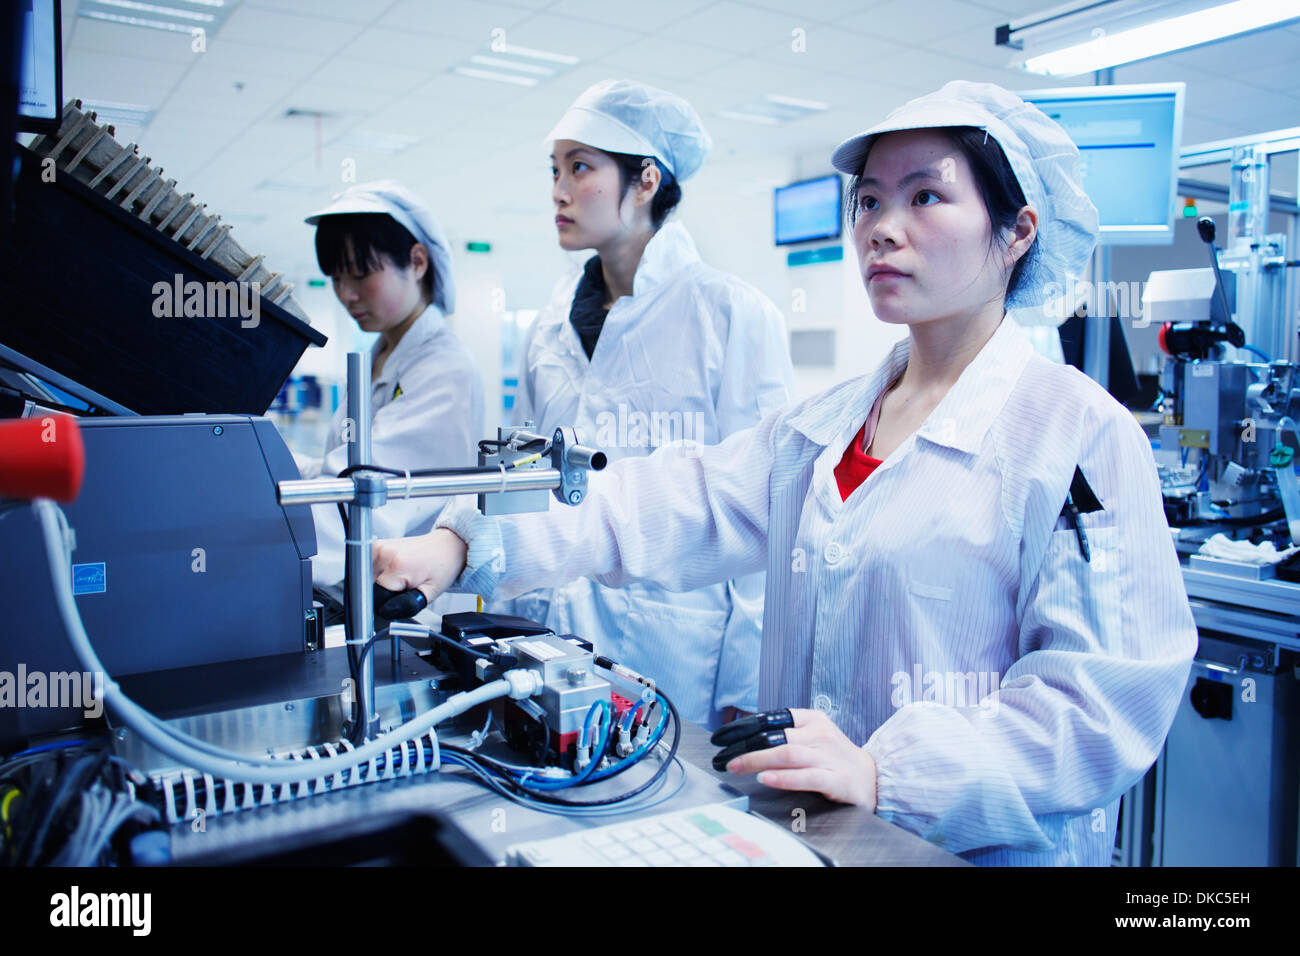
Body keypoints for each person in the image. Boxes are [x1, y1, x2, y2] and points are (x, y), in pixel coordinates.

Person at [372, 82, 1197, 865]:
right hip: (814, 838)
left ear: (1017, 231)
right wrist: (470, 542)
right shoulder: (827, 425)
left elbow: (1099, 705)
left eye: (925, 196)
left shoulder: (1076, 434)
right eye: (869, 199)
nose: (880, 226)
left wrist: (888, 774)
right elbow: (673, 499)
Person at [500, 79, 794, 727]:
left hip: (672, 638)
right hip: (550, 634)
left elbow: (767, 507)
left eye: (581, 168)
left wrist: (752, 690)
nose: (558, 190)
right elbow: (522, 481)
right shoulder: (548, 327)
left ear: (646, 181)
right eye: (554, 169)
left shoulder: (732, 314)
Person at [296, 180, 484, 594]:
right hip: (362, 582)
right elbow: (342, 466)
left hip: (408, 597)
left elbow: (370, 496)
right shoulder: (382, 357)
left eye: (361, 273)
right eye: (336, 276)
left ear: (417, 262)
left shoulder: (443, 369)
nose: (346, 293)